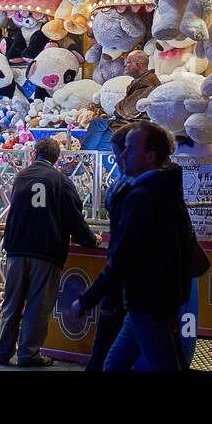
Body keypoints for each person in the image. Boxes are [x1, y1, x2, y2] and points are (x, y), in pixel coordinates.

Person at [0, 137, 97, 367]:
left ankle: (3, 351)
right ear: (57, 158)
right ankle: (28, 353)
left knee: (12, 302)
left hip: (17, 248)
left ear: (34, 154)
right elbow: (74, 219)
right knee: (38, 305)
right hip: (45, 250)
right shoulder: (61, 181)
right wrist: (90, 240)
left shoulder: (21, 177)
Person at [101, 121, 194, 371]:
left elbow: (164, 251)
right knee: (115, 362)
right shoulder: (141, 188)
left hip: (146, 298)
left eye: (128, 150)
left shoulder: (147, 193)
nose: (121, 158)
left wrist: (93, 296)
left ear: (148, 156)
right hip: (142, 298)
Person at [71, 124, 134, 371]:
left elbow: (121, 257)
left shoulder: (137, 191)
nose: (117, 161)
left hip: (135, 297)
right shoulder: (132, 186)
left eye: (120, 154)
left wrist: (88, 299)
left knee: (108, 359)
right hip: (136, 297)